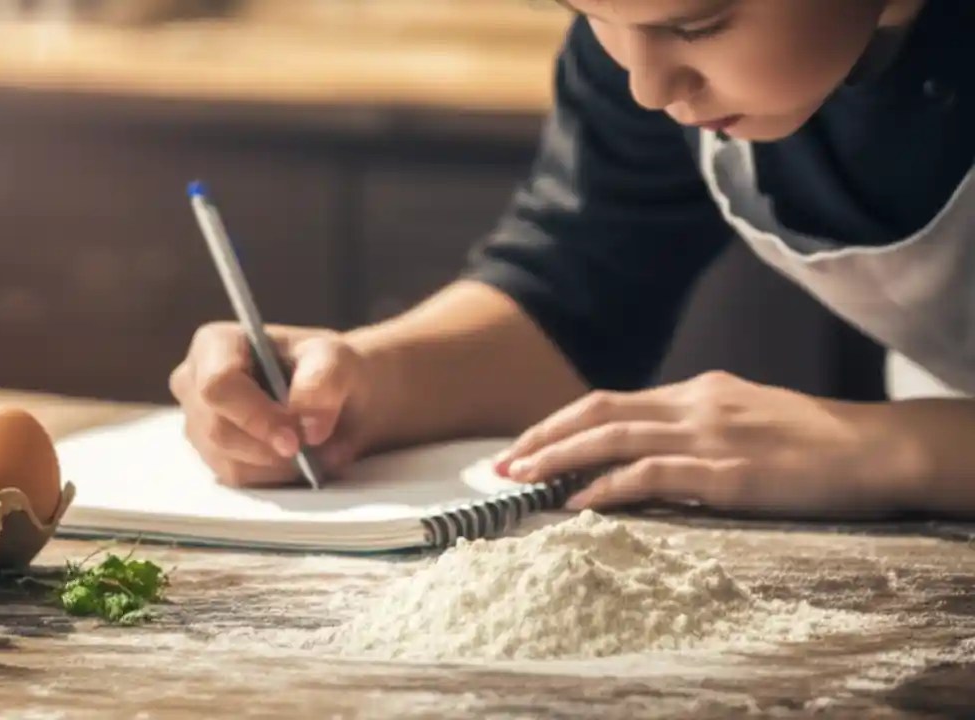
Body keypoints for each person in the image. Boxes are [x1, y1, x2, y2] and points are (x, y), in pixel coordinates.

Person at [168, 0, 975, 519]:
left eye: (696, 26)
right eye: (587, 11)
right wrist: (359, 381)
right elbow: (573, 288)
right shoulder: (643, 43)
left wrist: (893, 451)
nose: (647, 88)